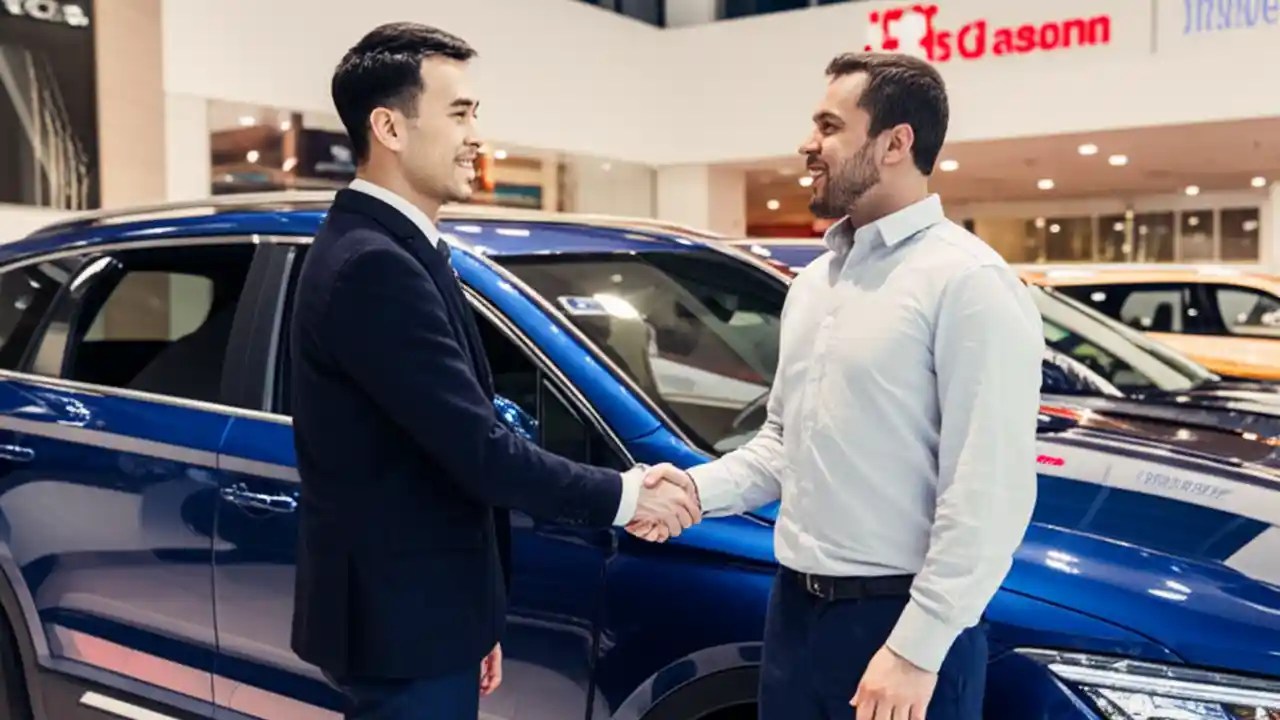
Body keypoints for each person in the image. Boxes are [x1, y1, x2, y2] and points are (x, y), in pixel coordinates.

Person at [289, 22, 700, 720]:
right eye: (459, 113)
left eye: (474, 112)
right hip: (403, 631)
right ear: (388, 126)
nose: (476, 133)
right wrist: (629, 496)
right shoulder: (373, 265)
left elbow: (435, 456)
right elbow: (479, 452)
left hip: (428, 621)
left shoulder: (397, 248)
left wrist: (475, 620)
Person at [637, 52, 1043, 720]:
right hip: (794, 613)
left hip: (901, 623)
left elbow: (987, 489)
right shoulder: (816, 284)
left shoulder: (967, 282)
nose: (807, 144)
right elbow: (781, 445)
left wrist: (916, 649)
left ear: (895, 143)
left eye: (829, 125)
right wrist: (691, 491)